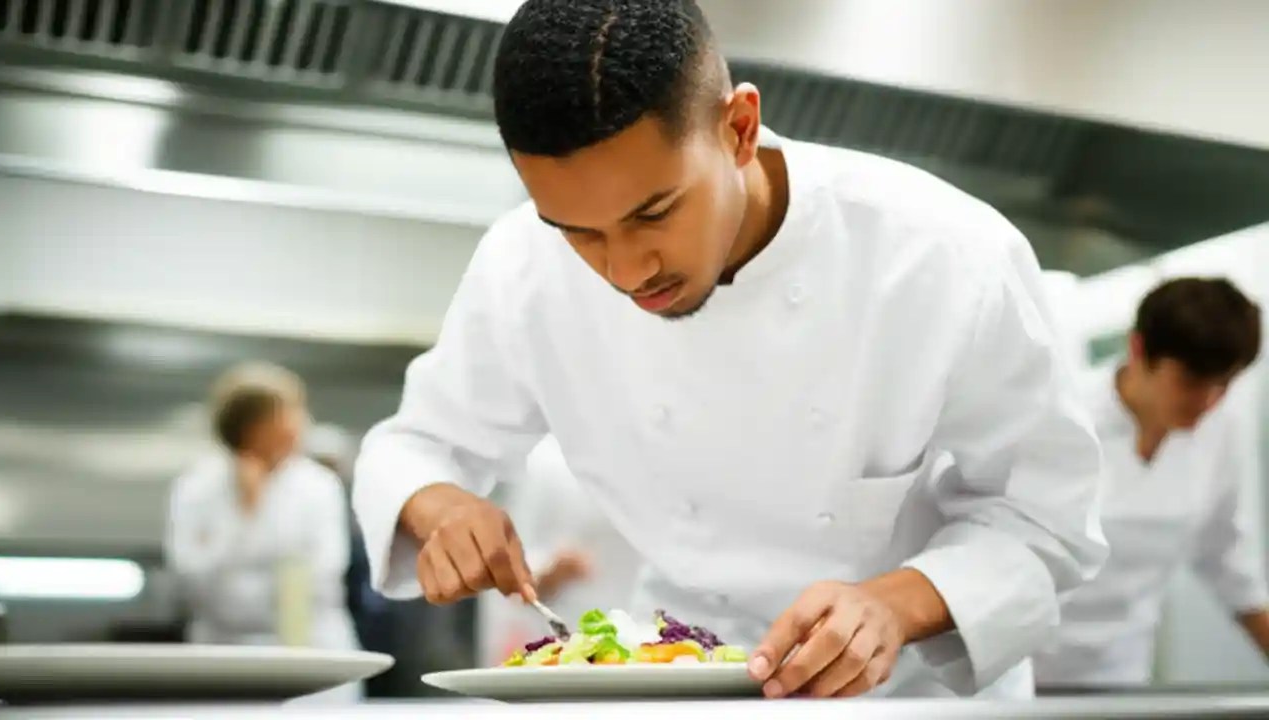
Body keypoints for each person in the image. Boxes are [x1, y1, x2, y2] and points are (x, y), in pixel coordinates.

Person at [353, 0, 1106, 699]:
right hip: (676, 681)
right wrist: (439, 504)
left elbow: (1045, 520)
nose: (625, 271)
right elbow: (415, 445)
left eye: (654, 213)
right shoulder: (520, 265)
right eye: (577, 232)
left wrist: (892, 606)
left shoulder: (946, 255)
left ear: (739, 127)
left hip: (903, 696)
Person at [1034, 277, 1267, 689]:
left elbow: (1228, 561)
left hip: (1120, 675)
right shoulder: (1060, 416)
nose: (1208, 402)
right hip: (1021, 671)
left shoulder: (1222, 428)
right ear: (1139, 349)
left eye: (1224, 384)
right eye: (1191, 382)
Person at [165, 363, 360, 700]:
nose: (299, 423)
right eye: (286, 413)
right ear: (250, 425)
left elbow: (323, 571)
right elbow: (190, 575)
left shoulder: (318, 486)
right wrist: (247, 510)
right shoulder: (197, 487)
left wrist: (245, 579)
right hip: (223, 652)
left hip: (311, 651)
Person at [477, 436, 643, 666]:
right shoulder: (544, 463)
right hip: (563, 640)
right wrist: (555, 568)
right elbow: (508, 562)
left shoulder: (646, 463)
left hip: (640, 638)